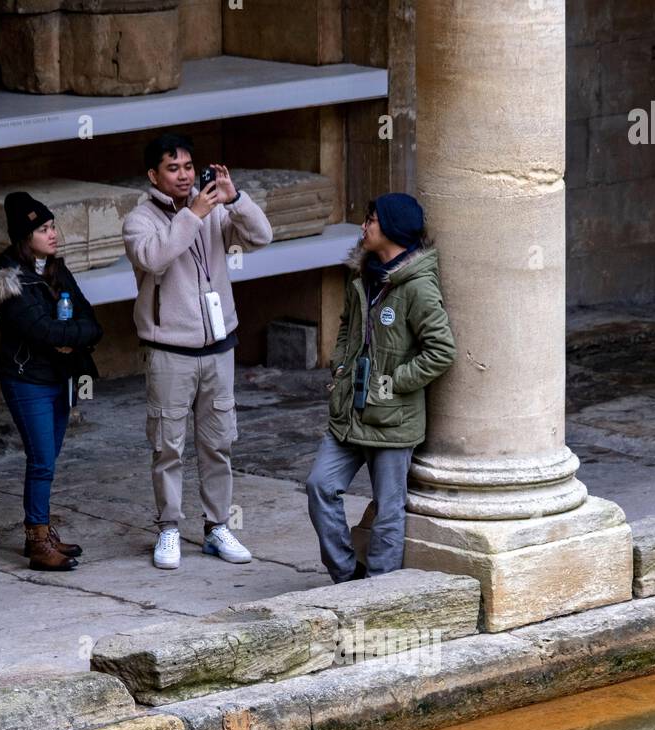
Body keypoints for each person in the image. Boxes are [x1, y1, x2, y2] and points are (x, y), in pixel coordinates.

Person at [122, 131, 273, 570]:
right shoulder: (140, 219)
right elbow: (155, 258)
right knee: (168, 444)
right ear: (154, 175)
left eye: (189, 167)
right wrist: (192, 214)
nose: (185, 175)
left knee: (218, 441)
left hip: (219, 344)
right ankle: (169, 527)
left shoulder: (213, 210)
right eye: (173, 168)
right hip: (169, 348)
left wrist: (236, 198)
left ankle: (217, 527)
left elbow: (261, 236)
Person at [306, 192, 456, 583]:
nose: (363, 226)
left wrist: (393, 383)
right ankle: (344, 576)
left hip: (393, 417)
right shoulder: (363, 274)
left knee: (390, 509)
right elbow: (346, 325)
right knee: (320, 485)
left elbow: (441, 351)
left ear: (390, 228)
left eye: (370, 220)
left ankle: (380, 590)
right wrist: (340, 368)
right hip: (349, 412)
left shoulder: (418, 287)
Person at [0, 191, 103, 571]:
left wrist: (69, 337)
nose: (52, 233)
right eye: (43, 229)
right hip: (27, 380)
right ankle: (37, 539)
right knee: (42, 459)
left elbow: (93, 322)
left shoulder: (55, 268)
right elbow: (42, 332)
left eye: (52, 225)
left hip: (60, 377)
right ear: (24, 236)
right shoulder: (7, 279)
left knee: (50, 457)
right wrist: (67, 335)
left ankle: (41, 533)